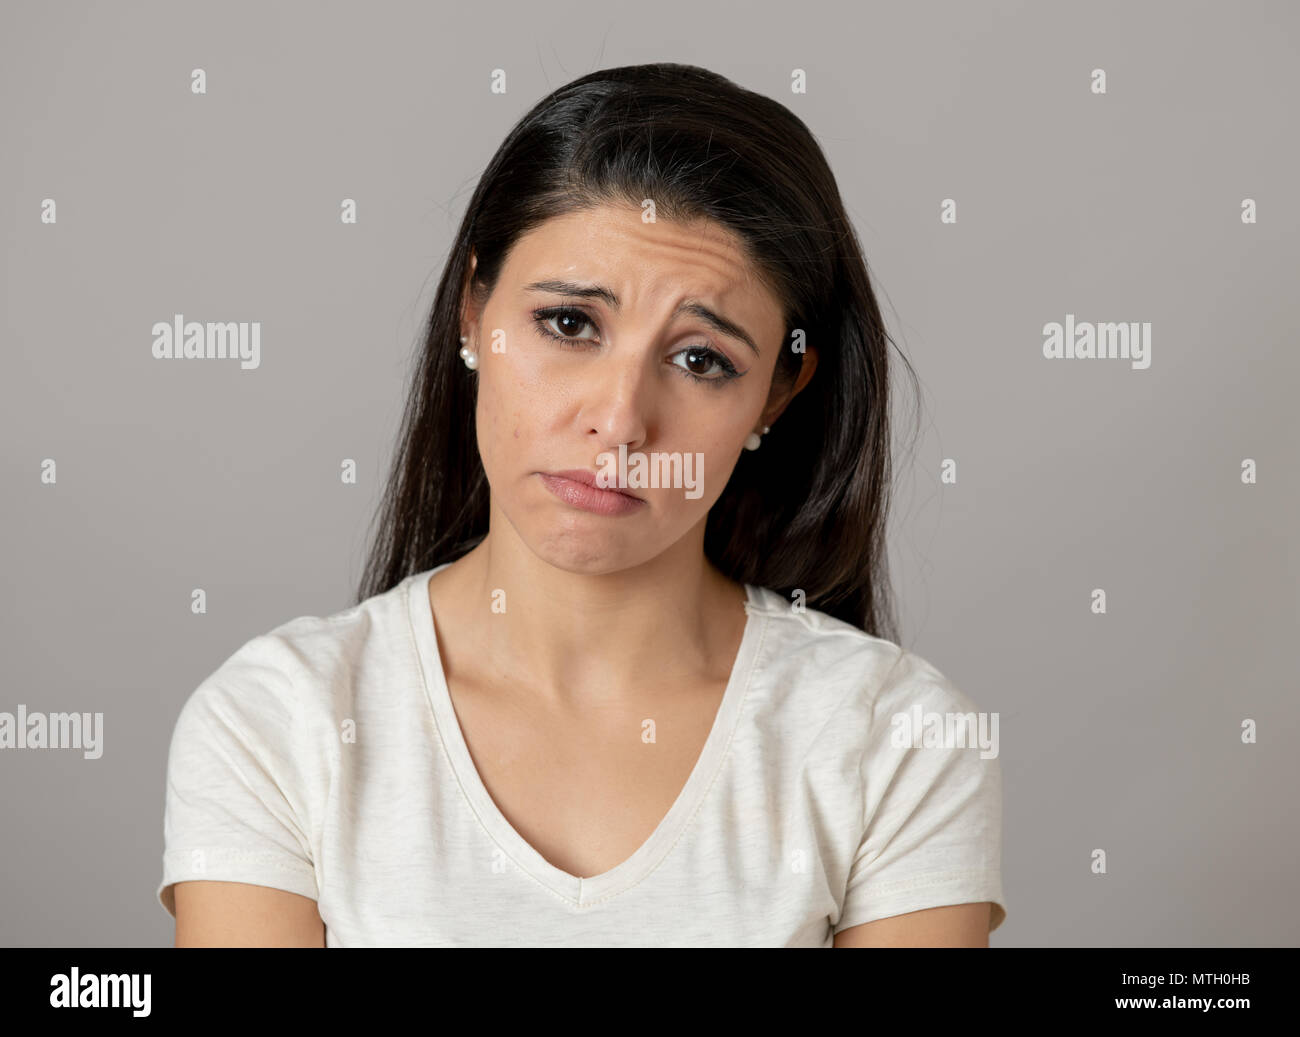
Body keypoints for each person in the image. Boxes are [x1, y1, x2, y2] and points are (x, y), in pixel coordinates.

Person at [156, 62, 1006, 947]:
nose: (619, 420)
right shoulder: (275, 723)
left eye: (701, 359)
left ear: (776, 396)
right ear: (472, 310)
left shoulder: (896, 741)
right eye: (569, 324)